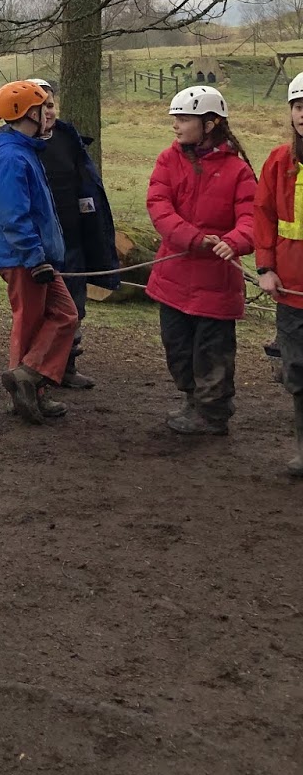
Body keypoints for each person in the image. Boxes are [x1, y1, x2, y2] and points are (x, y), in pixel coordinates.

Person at [146, 85, 256, 436]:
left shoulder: (238, 171)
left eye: (183, 119)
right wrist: (191, 237)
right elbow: (158, 205)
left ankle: (213, 412)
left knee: (212, 352)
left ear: (209, 124)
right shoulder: (168, 159)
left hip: (216, 283)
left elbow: (252, 218)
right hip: (173, 276)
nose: (175, 125)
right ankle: (195, 401)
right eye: (175, 118)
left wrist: (234, 241)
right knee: (177, 349)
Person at [0, 79, 79, 425]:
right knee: (32, 323)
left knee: (63, 315)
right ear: (29, 114)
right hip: (25, 259)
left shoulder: (23, 150)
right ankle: (28, 387)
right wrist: (35, 257)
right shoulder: (12, 156)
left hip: (33, 256)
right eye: (43, 108)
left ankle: (29, 380)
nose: (48, 114)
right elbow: (13, 214)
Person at [27, 78, 120, 389]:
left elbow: (88, 186)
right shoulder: (18, 145)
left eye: (51, 105)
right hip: (37, 248)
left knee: (74, 309)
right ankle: (34, 372)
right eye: (40, 107)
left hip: (74, 242)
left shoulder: (69, 139)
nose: (48, 112)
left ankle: (66, 367)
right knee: (41, 312)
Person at [252, 71, 303, 476]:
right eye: (299, 107)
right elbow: (264, 215)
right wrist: (266, 267)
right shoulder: (279, 161)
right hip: (290, 291)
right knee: (297, 372)